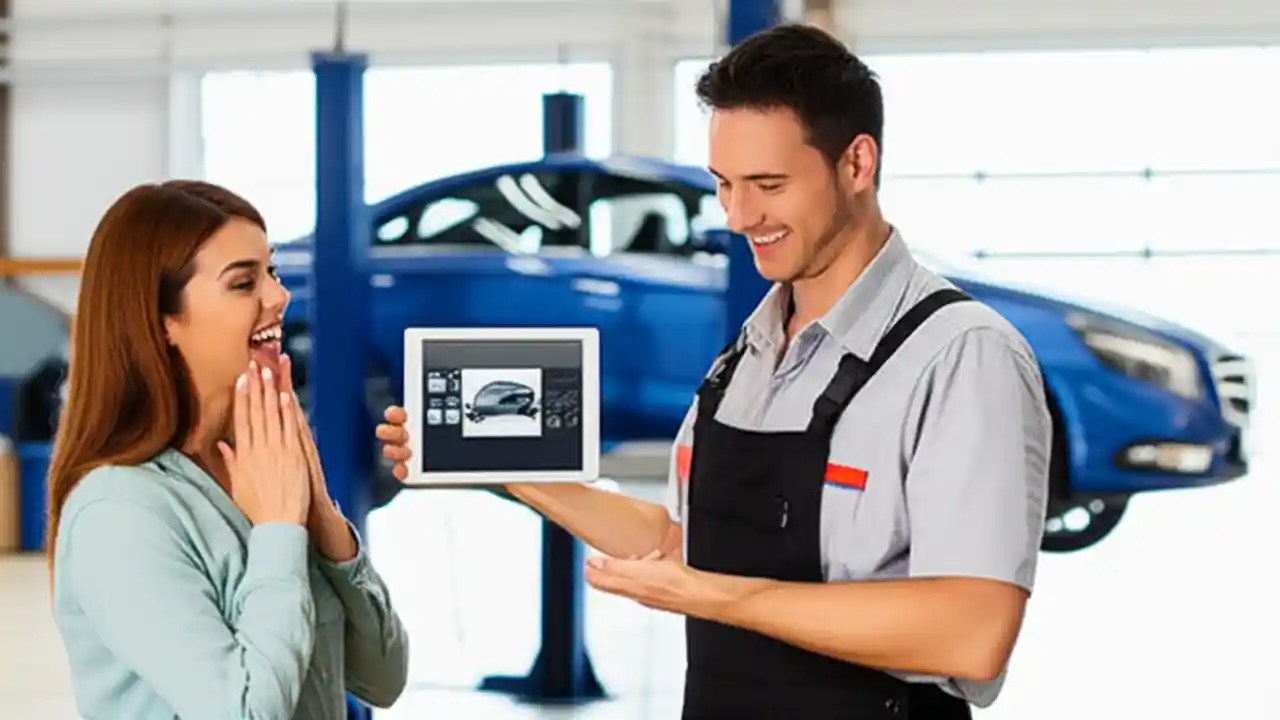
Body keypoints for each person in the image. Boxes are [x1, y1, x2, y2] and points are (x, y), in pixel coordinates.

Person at [379, 23, 1050, 719]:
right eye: (724, 185)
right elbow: (684, 542)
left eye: (768, 184)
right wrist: (508, 467)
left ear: (857, 164)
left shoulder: (960, 356)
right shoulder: (749, 353)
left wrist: (712, 596)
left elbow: (970, 633)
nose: (738, 216)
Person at [47, 180, 410, 719]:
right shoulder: (119, 513)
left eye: (273, 272)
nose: (278, 297)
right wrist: (279, 533)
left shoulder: (264, 467)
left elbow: (384, 678)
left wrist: (324, 523)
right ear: (163, 320)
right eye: (244, 283)